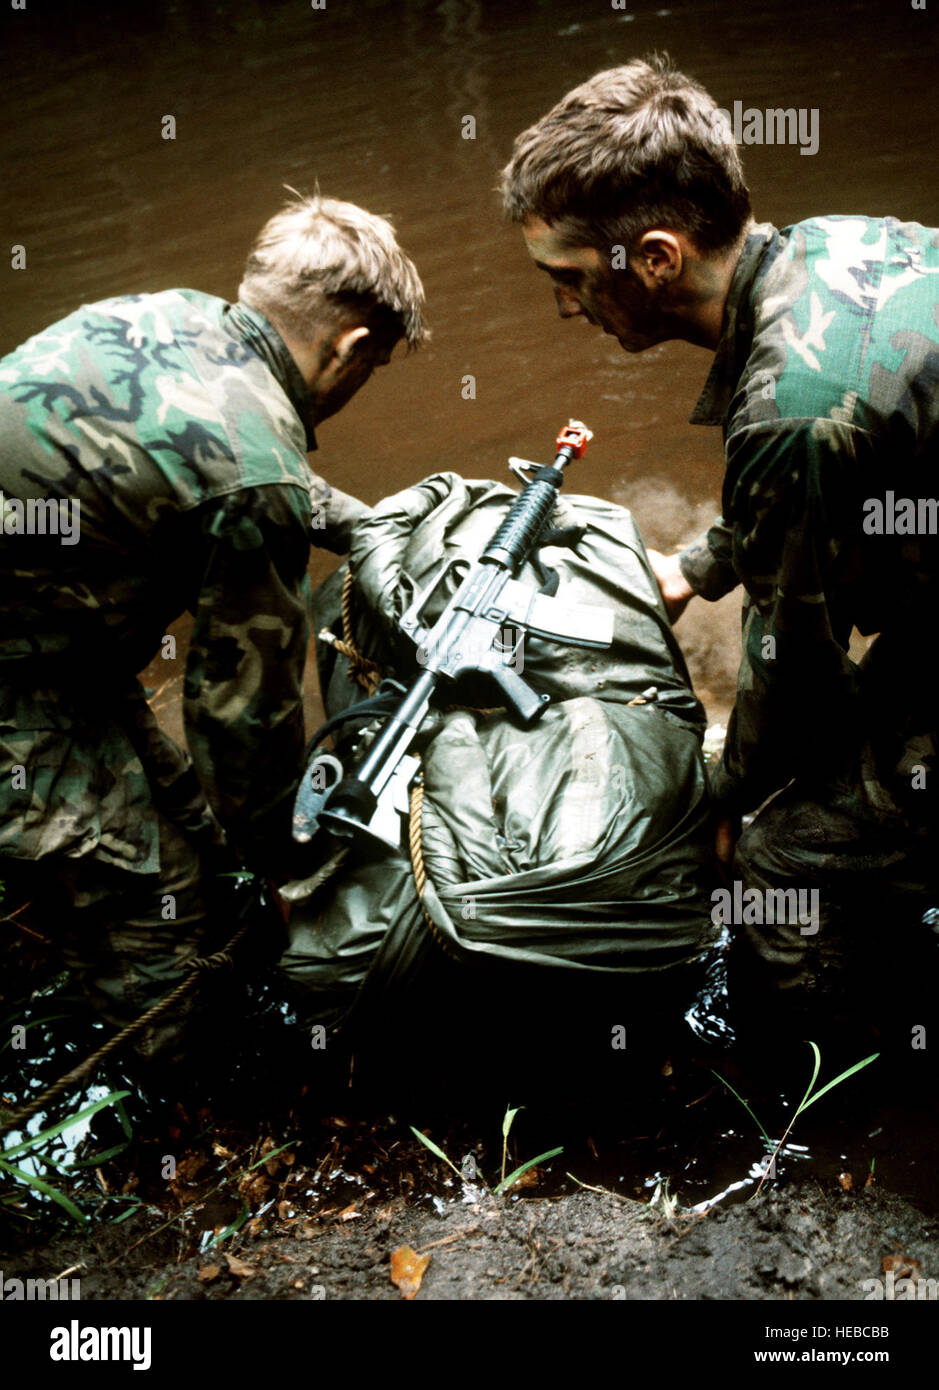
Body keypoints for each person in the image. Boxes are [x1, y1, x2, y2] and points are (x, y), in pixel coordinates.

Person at [500, 56, 939, 1033]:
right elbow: (823, 481)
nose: (565, 308)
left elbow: (798, 681)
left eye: (570, 279)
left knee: (781, 857)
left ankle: (820, 1082)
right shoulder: (831, 249)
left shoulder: (792, 407)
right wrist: (693, 569)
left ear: (656, 259)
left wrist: (712, 807)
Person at [0, 194, 427, 1061]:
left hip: (50, 646)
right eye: (374, 366)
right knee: (157, 925)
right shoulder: (254, 474)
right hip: (23, 688)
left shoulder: (167, 317)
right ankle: (162, 1084)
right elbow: (244, 724)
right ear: (351, 349)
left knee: (191, 830)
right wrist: (295, 871)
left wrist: (374, 527)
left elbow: (209, 466)